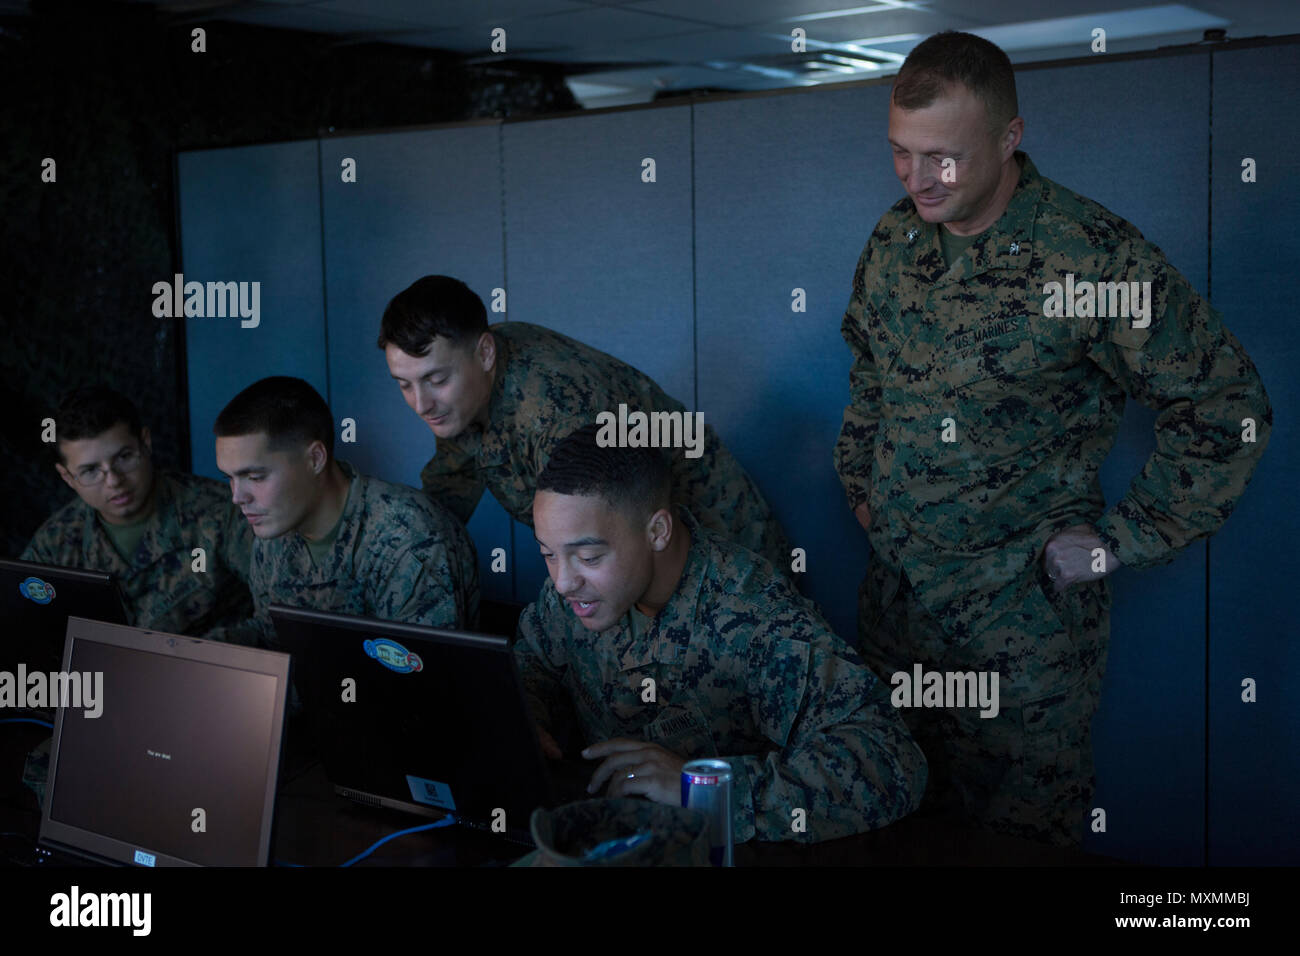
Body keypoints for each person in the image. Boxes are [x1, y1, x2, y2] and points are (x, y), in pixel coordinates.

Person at [833, 31, 1272, 846]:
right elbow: (868, 374)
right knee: (893, 828)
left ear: (1010, 137)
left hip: (1020, 636)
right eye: (900, 152)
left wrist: (1118, 542)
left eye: (943, 157)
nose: (919, 178)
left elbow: (1227, 409)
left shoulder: (1092, 259)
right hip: (898, 616)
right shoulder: (894, 243)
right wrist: (862, 489)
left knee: (1016, 845)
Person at [515, 424, 926, 844]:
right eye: (548, 554)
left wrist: (706, 789)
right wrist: (523, 718)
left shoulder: (752, 614)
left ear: (657, 531)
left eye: (588, 556)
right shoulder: (575, 594)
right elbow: (532, 663)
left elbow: (890, 761)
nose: (564, 581)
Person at [379, 275, 793, 574]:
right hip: (630, 554)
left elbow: (607, 553)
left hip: (714, 542)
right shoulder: (464, 384)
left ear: (485, 354)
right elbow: (447, 492)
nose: (421, 403)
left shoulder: (557, 411)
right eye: (403, 385)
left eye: (436, 380)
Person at [213, 376, 479, 642]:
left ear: (315, 459)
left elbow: (423, 672)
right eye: (230, 478)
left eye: (256, 477)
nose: (237, 497)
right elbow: (272, 636)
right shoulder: (271, 529)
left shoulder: (409, 538)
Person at [21, 385, 254, 641]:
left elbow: (275, 615)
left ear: (146, 442)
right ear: (67, 477)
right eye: (90, 471)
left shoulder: (220, 513)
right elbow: (24, 627)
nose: (113, 481)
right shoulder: (55, 543)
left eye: (124, 457)